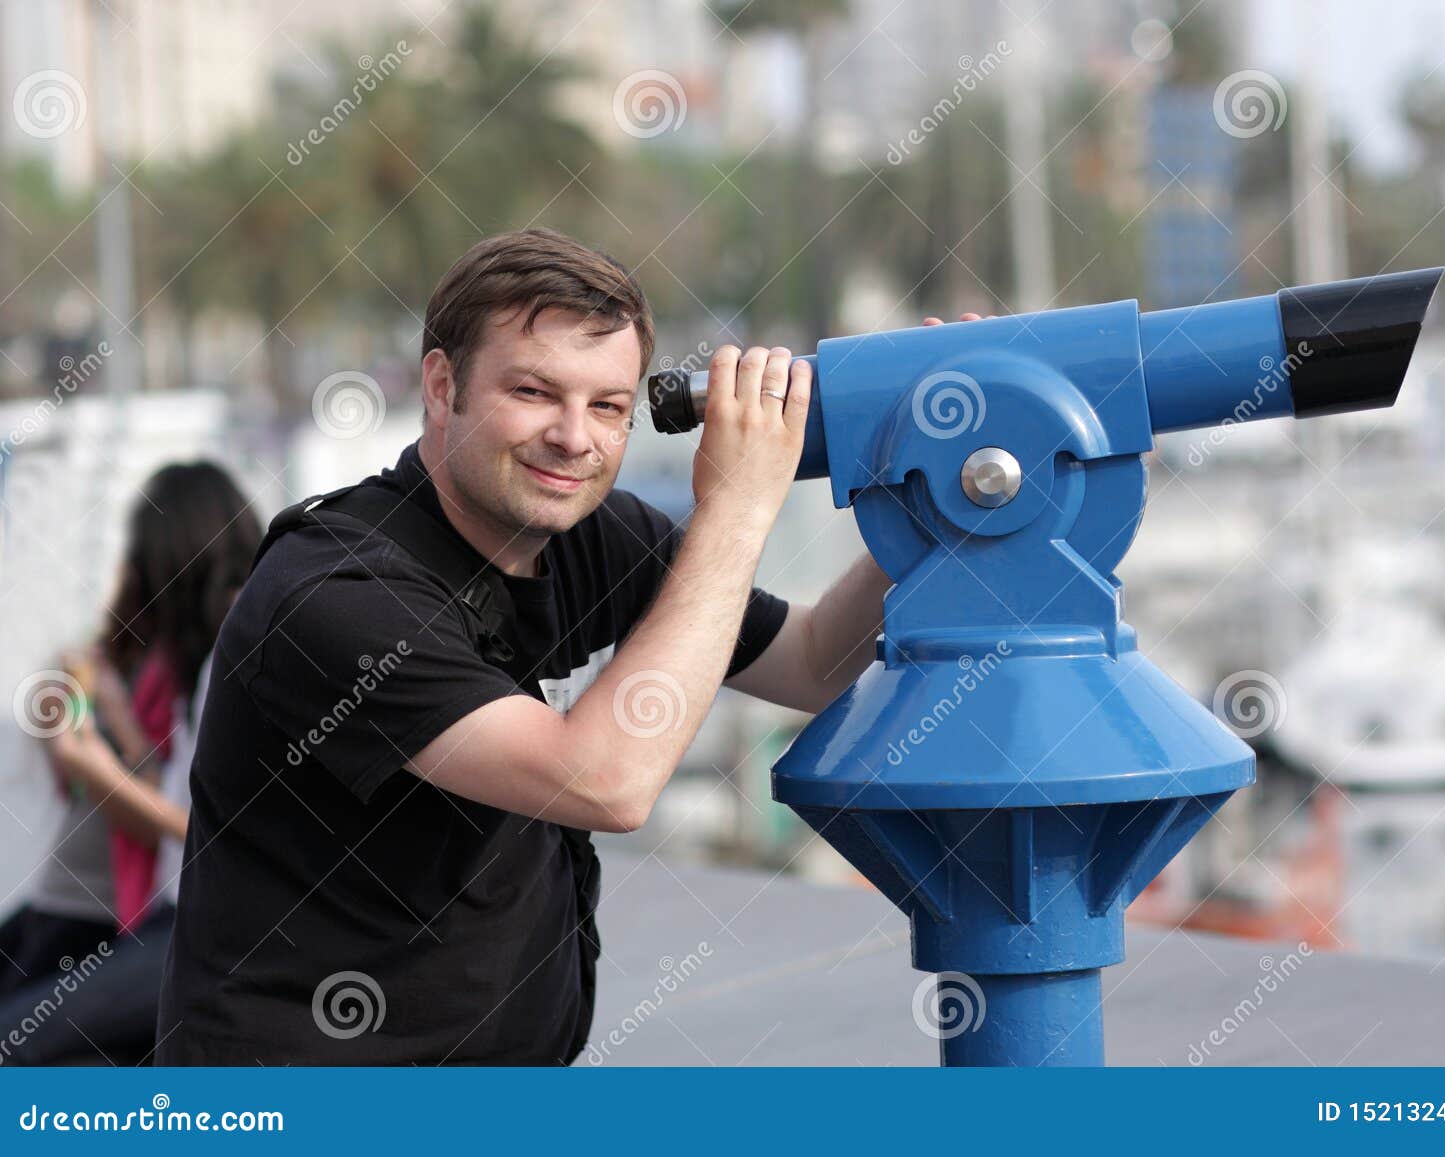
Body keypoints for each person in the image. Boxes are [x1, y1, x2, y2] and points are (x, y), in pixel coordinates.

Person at [157, 226, 982, 1065]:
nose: (574, 437)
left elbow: (811, 664)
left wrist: (926, 500)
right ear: (441, 387)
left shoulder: (589, 534)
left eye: (608, 406)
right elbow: (606, 783)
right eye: (534, 392)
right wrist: (735, 508)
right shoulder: (335, 592)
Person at [0, 463, 261, 1065]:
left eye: (146, 562)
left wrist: (92, 764)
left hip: (204, 931)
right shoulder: (198, 659)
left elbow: (210, 834)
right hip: (171, 917)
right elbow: (176, 794)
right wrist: (110, 724)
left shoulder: (241, 650)